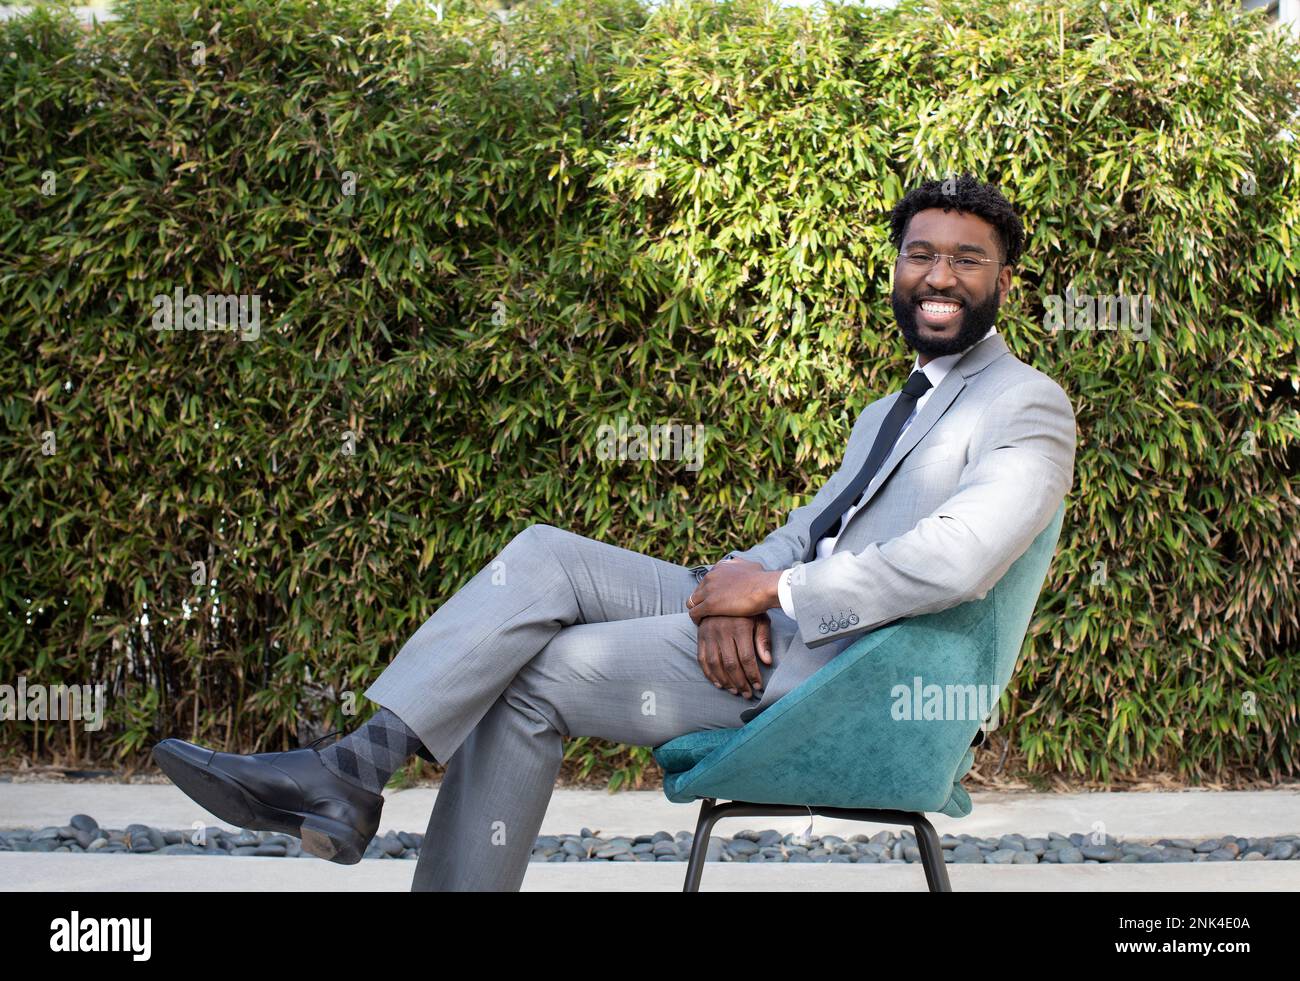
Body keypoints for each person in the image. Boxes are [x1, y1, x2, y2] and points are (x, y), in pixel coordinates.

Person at [153, 173, 1076, 890]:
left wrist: (777, 596)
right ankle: (351, 766)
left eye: (966, 258)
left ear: (1003, 278)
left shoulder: (1027, 404)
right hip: (791, 627)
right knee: (548, 554)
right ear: (897, 267)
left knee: (530, 676)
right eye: (921, 253)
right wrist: (737, 587)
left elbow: (959, 557)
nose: (939, 275)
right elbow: (810, 528)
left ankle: (350, 786)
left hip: (845, 675)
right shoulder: (892, 405)